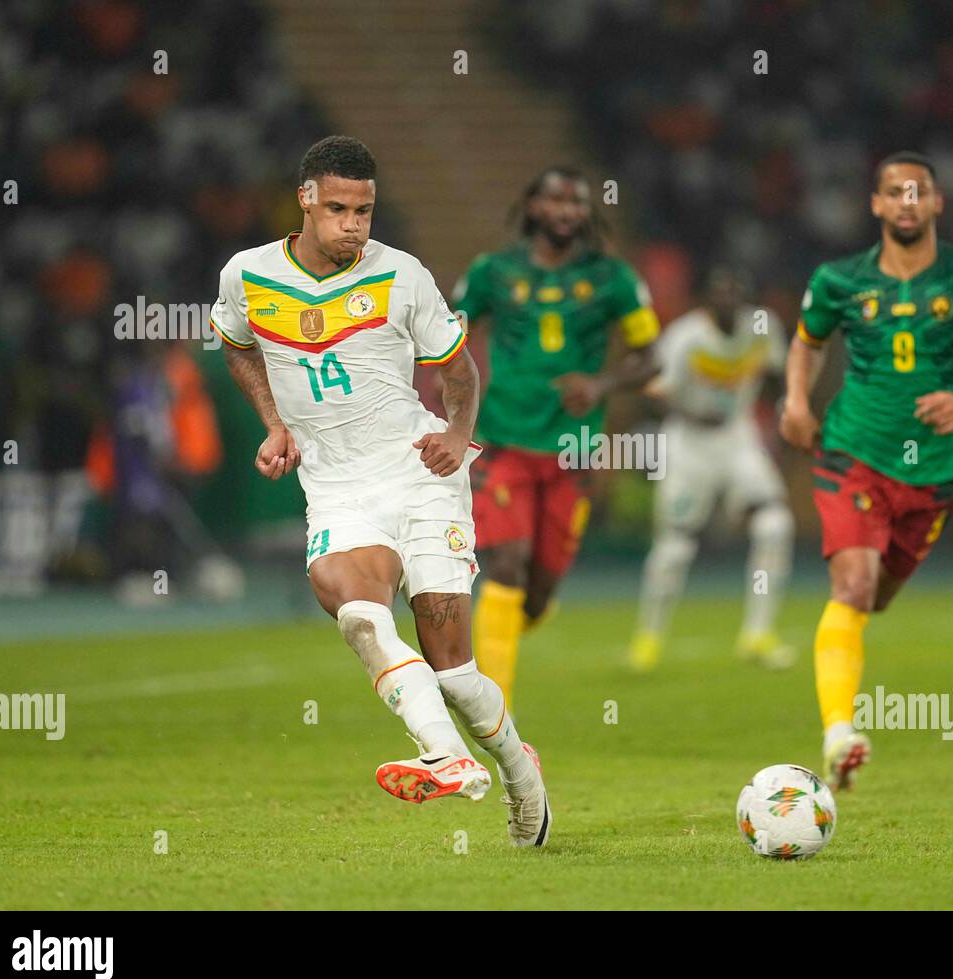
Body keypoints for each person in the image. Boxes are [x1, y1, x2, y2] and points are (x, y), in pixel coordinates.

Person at [212, 135, 550, 847]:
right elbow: (236, 342)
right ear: (305, 199)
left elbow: (459, 372)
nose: (352, 226)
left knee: (453, 669)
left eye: (363, 211)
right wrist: (274, 423)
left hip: (418, 472)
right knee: (359, 614)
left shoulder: (402, 276)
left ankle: (523, 778)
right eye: (337, 209)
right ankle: (446, 757)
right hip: (336, 485)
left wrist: (460, 435)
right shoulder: (246, 276)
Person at [781, 151, 953, 791]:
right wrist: (794, 400)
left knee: (880, 596)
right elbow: (807, 343)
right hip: (853, 453)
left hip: (935, 472)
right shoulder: (839, 280)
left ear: (937, 202)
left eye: (918, 191)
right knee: (854, 586)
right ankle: (839, 733)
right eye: (894, 192)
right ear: (876, 204)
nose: (906, 202)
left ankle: (843, 710)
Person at [453, 166, 660, 710]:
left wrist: (602, 383)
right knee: (505, 566)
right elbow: (449, 335)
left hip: (572, 452)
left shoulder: (613, 278)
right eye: (556, 200)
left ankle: (522, 623)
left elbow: (650, 359)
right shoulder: (492, 271)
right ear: (533, 207)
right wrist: (452, 404)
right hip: (503, 442)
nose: (567, 211)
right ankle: (494, 714)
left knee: (537, 597)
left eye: (578, 202)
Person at [628, 265, 796, 672]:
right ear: (706, 300)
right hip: (688, 444)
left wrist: (781, 417)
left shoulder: (762, 325)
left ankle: (757, 633)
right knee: (675, 548)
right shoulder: (685, 337)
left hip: (738, 438)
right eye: (720, 293)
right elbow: (651, 392)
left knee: (774, 524)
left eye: (735, 292)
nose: (728, 300)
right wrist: (690, 410)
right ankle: (649, 636)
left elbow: (776, 374)